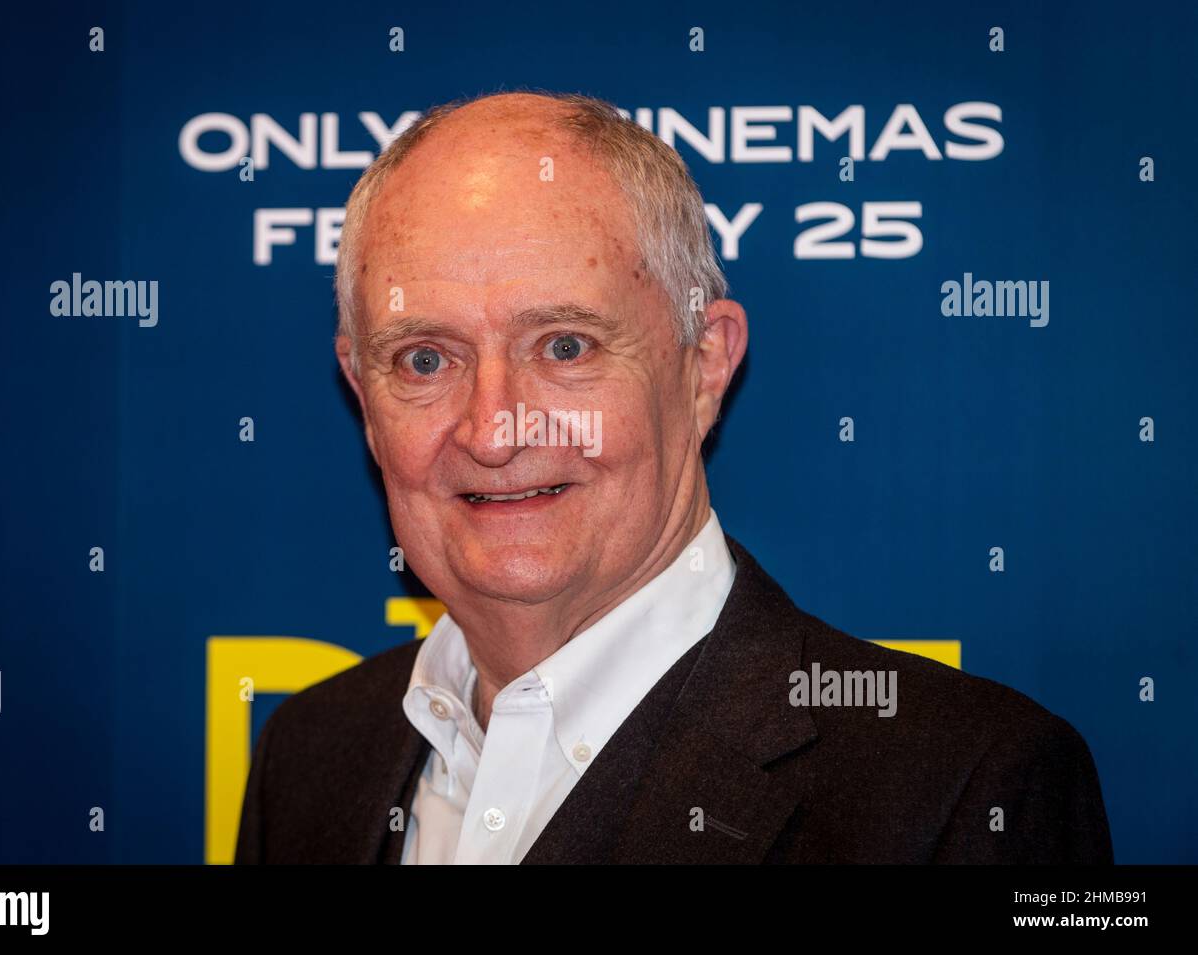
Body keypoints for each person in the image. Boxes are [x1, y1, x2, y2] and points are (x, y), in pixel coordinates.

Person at [234, 91, 1112, 864]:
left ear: (704, 367)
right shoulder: (308, 757)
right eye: (426, 358)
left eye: (565, 346)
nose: (494, 429)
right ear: (363, 393)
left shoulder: (966, 788)